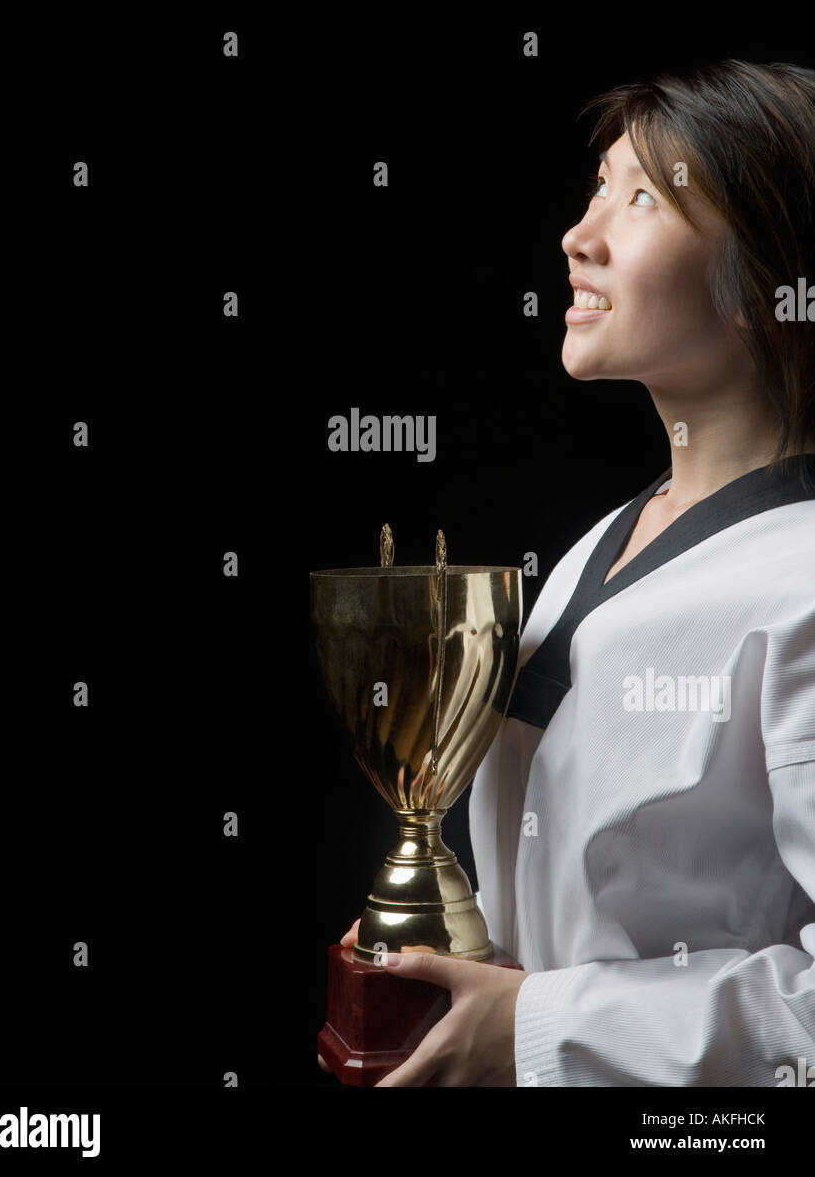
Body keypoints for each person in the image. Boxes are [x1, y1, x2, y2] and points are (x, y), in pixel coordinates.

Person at [321, 59, 815, 1086]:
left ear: (769, 278)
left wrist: (541, 1028)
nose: (577, 234)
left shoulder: (800, 582)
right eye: (597, 185)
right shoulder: (597, 549)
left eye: (642, 197)